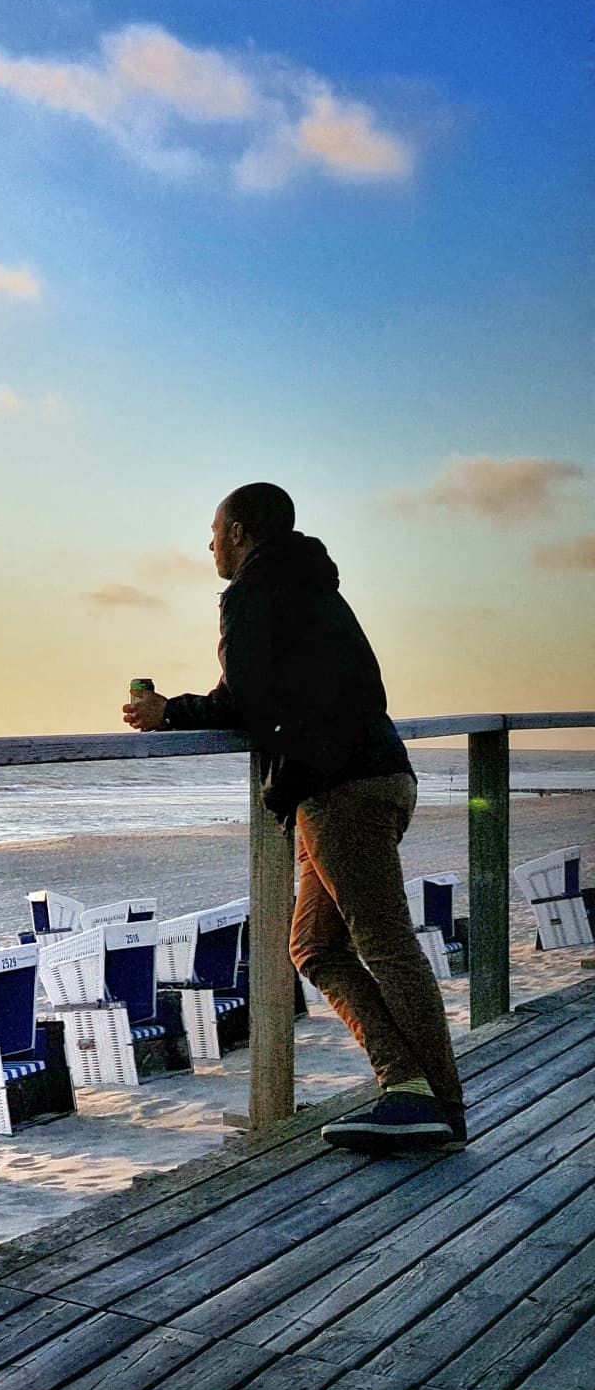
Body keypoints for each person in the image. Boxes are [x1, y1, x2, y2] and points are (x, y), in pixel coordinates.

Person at [122, 482, 463, 1153]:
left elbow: (245, 699)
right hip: (377, 776)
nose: (210, 544)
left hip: (343, 790)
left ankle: (442, 1106)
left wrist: (171, 713)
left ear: (242, 532)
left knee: (386, 944)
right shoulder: (318, 592)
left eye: (215, 531)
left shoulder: (253, 592)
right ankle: (407, 1087)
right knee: (313, 946)